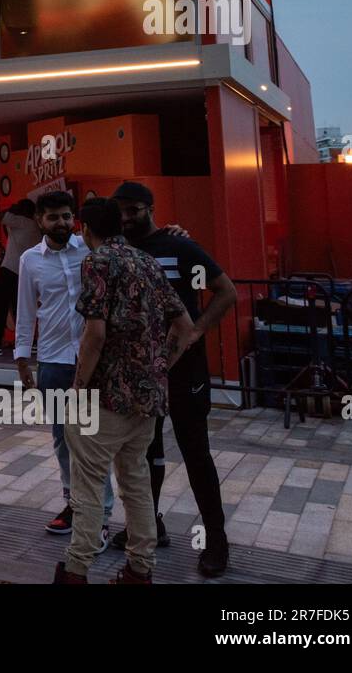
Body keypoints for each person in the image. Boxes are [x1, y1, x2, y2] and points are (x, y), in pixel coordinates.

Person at [54, 199, 193, 584]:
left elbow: (95, 334)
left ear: (85, 228)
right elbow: (185, 326)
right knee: (137, 485)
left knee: (87, 487)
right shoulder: (146, 261)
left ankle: (75, 570)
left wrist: (78, 387)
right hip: (146, 400)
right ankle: (139, 569)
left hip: (105, 399)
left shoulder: (97, 263)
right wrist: (158, 365)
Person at [112, 180, 237, 577]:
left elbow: (226, 292)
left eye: (135, 209)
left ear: (151, 208)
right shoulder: (120, 251)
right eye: (122, 211)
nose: (128, 217)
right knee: (145, 454)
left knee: (196, 452)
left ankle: (216, 542)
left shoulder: (181, 247)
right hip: (142, 371)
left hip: (185, 370)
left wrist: (196, 332)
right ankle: (149, 527)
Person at [13, 190, 115, 543]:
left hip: (93, 360)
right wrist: (22, 356)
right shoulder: (30, 260)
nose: (61, 223)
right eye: (53, 217)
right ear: (40, 221)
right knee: (62, 439)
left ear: (75, 220)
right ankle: (73, 504)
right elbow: (27, 310)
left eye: (67, 216)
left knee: (92, 439)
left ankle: (100, 514)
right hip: (55, 361)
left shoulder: (91, 250)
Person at [0, 199, 39, 356]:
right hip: (25, 273)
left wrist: (13, 208)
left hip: (10, 270)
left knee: (1, 307)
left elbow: (0, 216)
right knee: (21, 310)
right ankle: (28, 343)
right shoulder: (36, 227)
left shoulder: (19, 221)